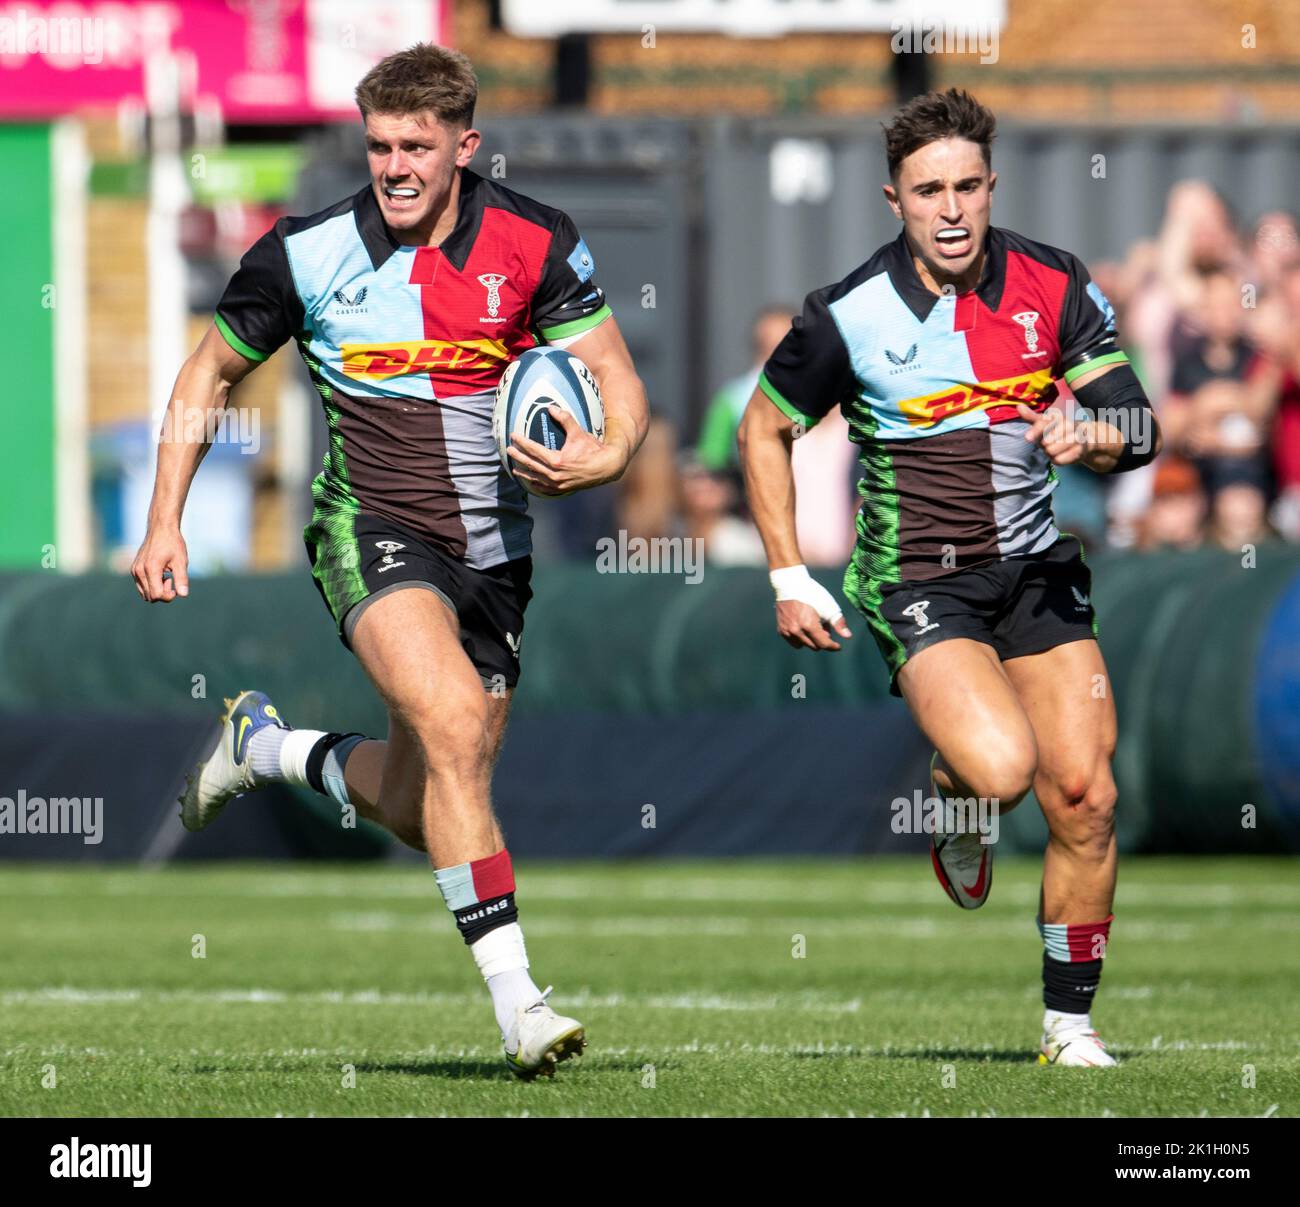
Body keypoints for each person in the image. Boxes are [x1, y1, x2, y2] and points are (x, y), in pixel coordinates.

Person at [130, 43, 648, 1079]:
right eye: (379, 146)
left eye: (418, 145)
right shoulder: (305, 252)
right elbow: (209, 370)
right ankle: (522, 1009)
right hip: (368, 529)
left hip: (495, 558)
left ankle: (265, 749)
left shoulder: (536, 241)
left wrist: (607, 451)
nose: (397, 166)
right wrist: (164, 519)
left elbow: (613, 383)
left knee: (426, 800)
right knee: (453, 725)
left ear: (467, 146)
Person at [738, 88, 1161, 1068]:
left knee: (1084, 794)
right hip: (919, 580)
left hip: (1038, 573)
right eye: (929, 189)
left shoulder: (1052, 284)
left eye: (967, 184)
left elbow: (1137, 425)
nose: (952, 207)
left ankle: (1067, 1027)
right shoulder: (845, 314)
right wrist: (788, 575)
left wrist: (1091, 432)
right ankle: (954, 792)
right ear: (895, 199)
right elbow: (765, 428)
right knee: (1001, 771)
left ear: (990, 184)